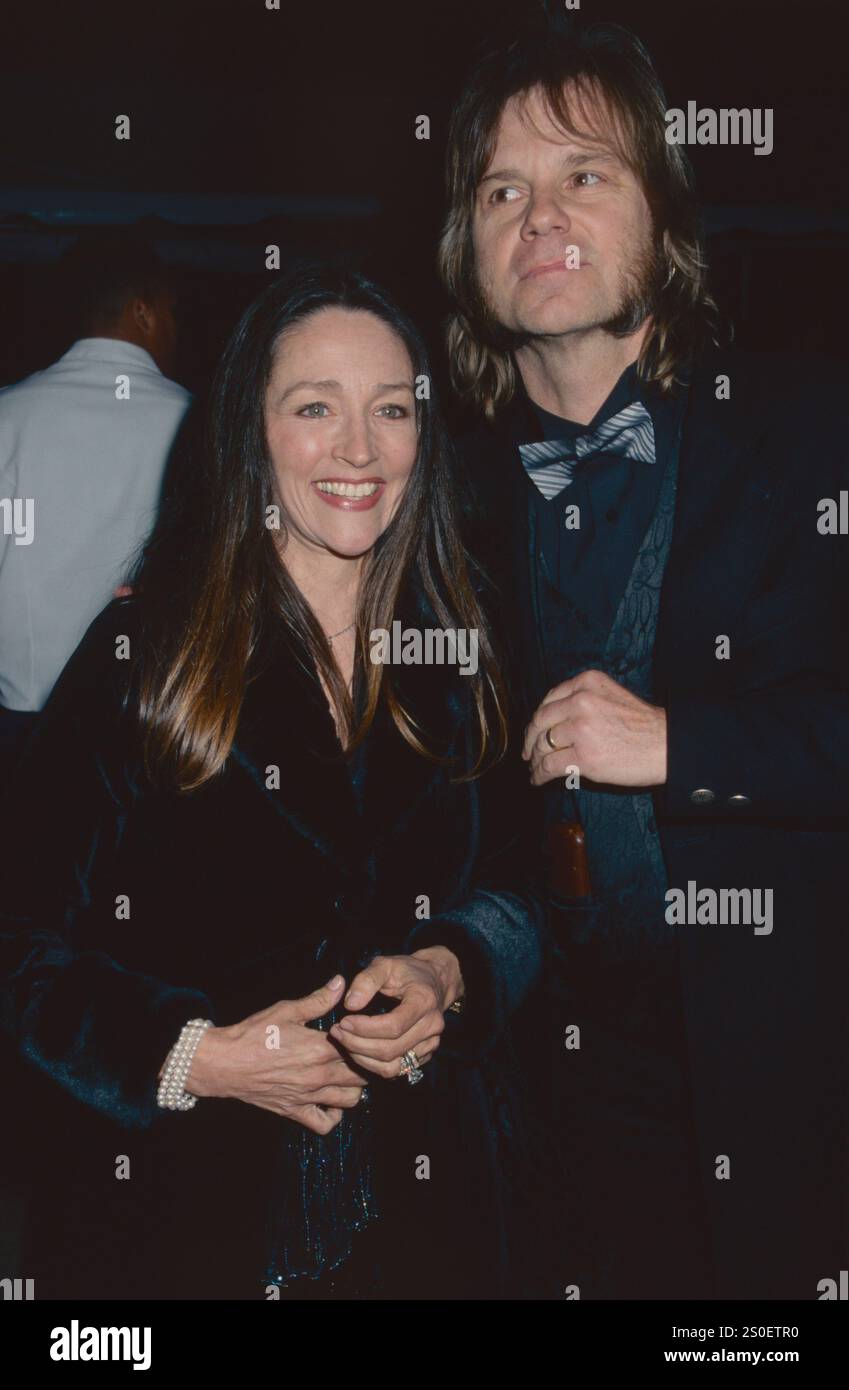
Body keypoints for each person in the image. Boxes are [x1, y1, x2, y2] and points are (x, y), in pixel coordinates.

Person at [0, 264, 550, 1301]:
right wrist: (192, 1056)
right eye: (314, 408)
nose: (359, 449)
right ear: (250, 435)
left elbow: (527, 886)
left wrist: (450, 968)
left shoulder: (463, 647)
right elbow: (18, 940)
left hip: (434, 1198)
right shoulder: (146, 653)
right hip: (185, 1212)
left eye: (391, 409)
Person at [439, 15, 849, 1299]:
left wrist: (681, 743)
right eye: (502, 189)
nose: (540, 215)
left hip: (782, 1059)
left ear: (663, 222)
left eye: (585, 174)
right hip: (552, 1078)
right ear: (469, 250)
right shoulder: (441, 500)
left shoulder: (809, 430)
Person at [0, 232, 188, 771]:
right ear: (142, 311)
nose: (176, 329)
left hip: (21, 721)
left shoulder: (8, 415)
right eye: (171, 312)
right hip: (151, 719)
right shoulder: (199, 424)